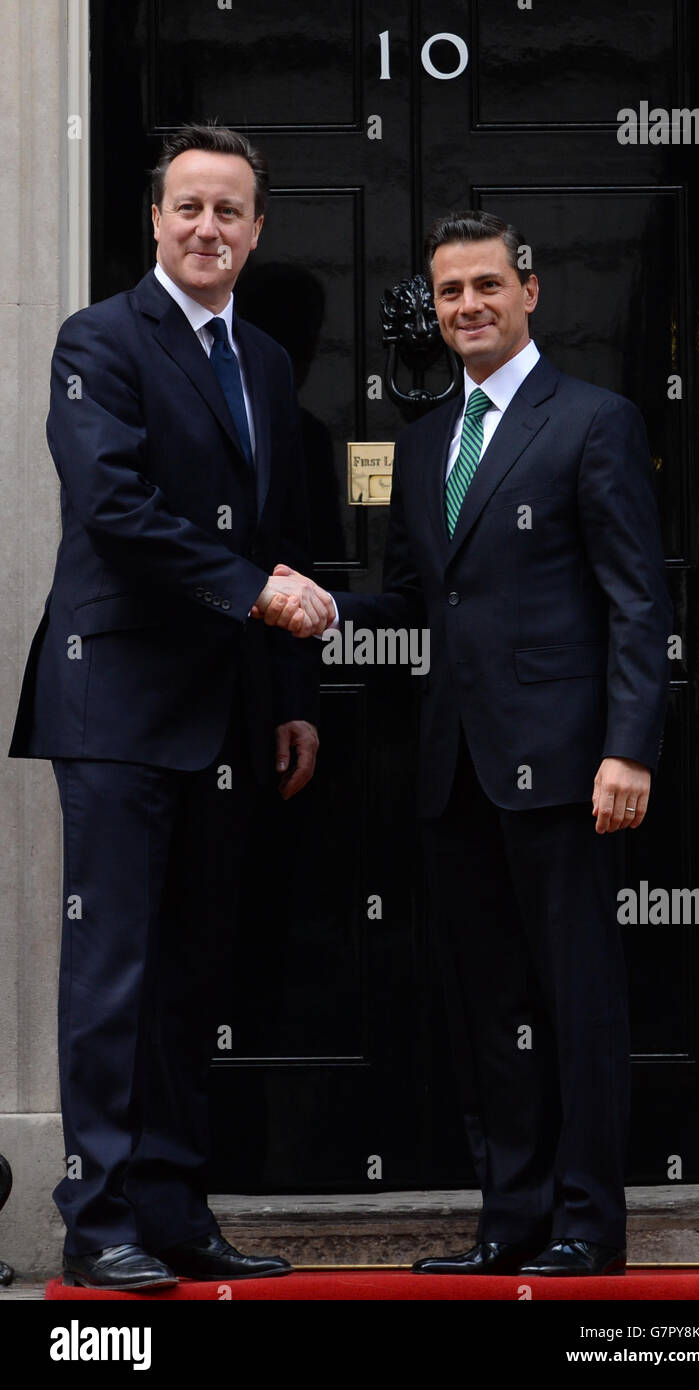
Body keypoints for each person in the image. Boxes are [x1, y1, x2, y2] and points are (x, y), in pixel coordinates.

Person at [265, 210, 672, 1276]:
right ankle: (511, 1220)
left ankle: (588, 1225)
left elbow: (637, 601)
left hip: (570, 769)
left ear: (529, 291)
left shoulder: (596, 421)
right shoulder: (420, 444)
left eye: (487, 285)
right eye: (449, 293)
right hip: (454, 772)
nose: (469, 307)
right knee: (488, 1007)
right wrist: (327, 607)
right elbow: (415, 597)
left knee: (577, 1002)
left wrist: (628, 748)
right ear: (435, 311)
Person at [9, 123, 333, 1291]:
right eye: (188, 206)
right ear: (154, 219)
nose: (208, 228)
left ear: (256, 230)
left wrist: (290, 694)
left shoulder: (262, 364)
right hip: (118, 704)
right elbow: (111, 507)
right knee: (114, 974)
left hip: (227, 712)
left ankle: (176, 1210)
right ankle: (99, 1226)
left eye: (230, 211)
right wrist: (256, 593)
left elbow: (285, 531)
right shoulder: (98, 338)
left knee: (193, 973)